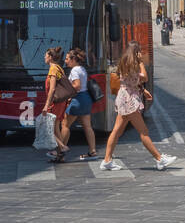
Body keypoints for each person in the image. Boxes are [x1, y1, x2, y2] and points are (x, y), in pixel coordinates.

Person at [101, 40, 175, 171]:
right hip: (129, 101)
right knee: (143, 132)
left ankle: (107, 160)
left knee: (117, 131)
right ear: (136, 52)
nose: (141, 54)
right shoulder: (134, 64)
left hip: (124, 97)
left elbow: (131, 81)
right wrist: (141, 63)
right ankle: (159, 159)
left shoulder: (125, 62)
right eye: (139, 51)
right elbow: (145, 77)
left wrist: (142, 90)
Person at [60, 47, 98, 161]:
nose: (65, 61)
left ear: (73, 60)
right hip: (86, 98)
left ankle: (60, 151)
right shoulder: (82, 69)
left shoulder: (75, 70)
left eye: (67, 59)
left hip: (78, 99)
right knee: (87, 126)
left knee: (65, 125)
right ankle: (92, 151)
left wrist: (67, 92)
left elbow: (77, 85)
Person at [42, 46, 70, 162]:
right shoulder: (59, 68)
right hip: (61, 102)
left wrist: (46, 105)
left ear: (50, 57)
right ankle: (60, 155)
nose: (44, 57)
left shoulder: (53, 69)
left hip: (55, 102)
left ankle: (62, 147)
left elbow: (52, 89)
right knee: (55, 127)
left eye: (46, 55)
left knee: (48, 126)